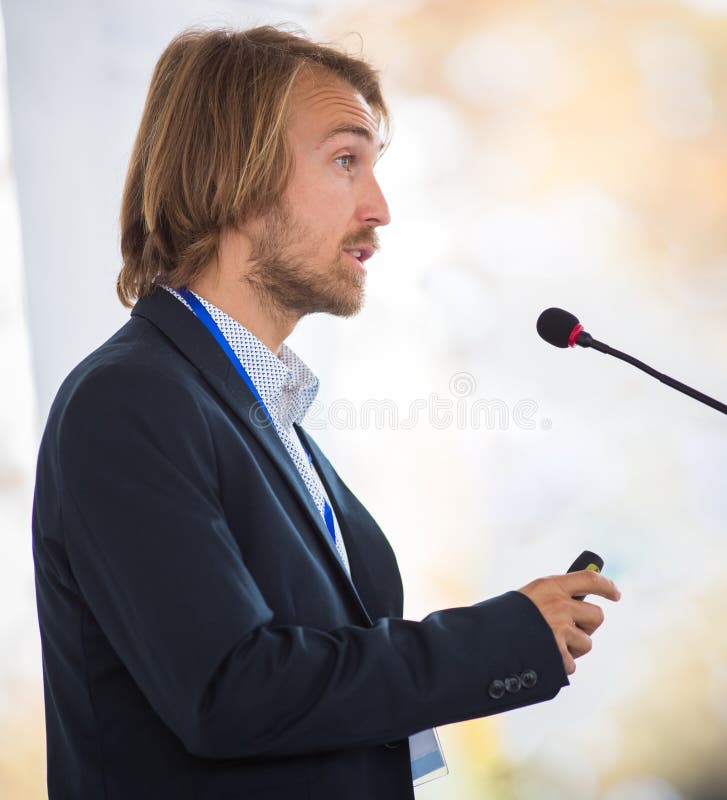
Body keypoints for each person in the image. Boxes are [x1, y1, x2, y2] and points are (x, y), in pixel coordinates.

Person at [32, 25, 620, 800]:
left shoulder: (264, 417)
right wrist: (499, 640)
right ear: (230, 175)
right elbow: (229, 690)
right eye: (346, 161)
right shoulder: (131, 400)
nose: (379, 207)